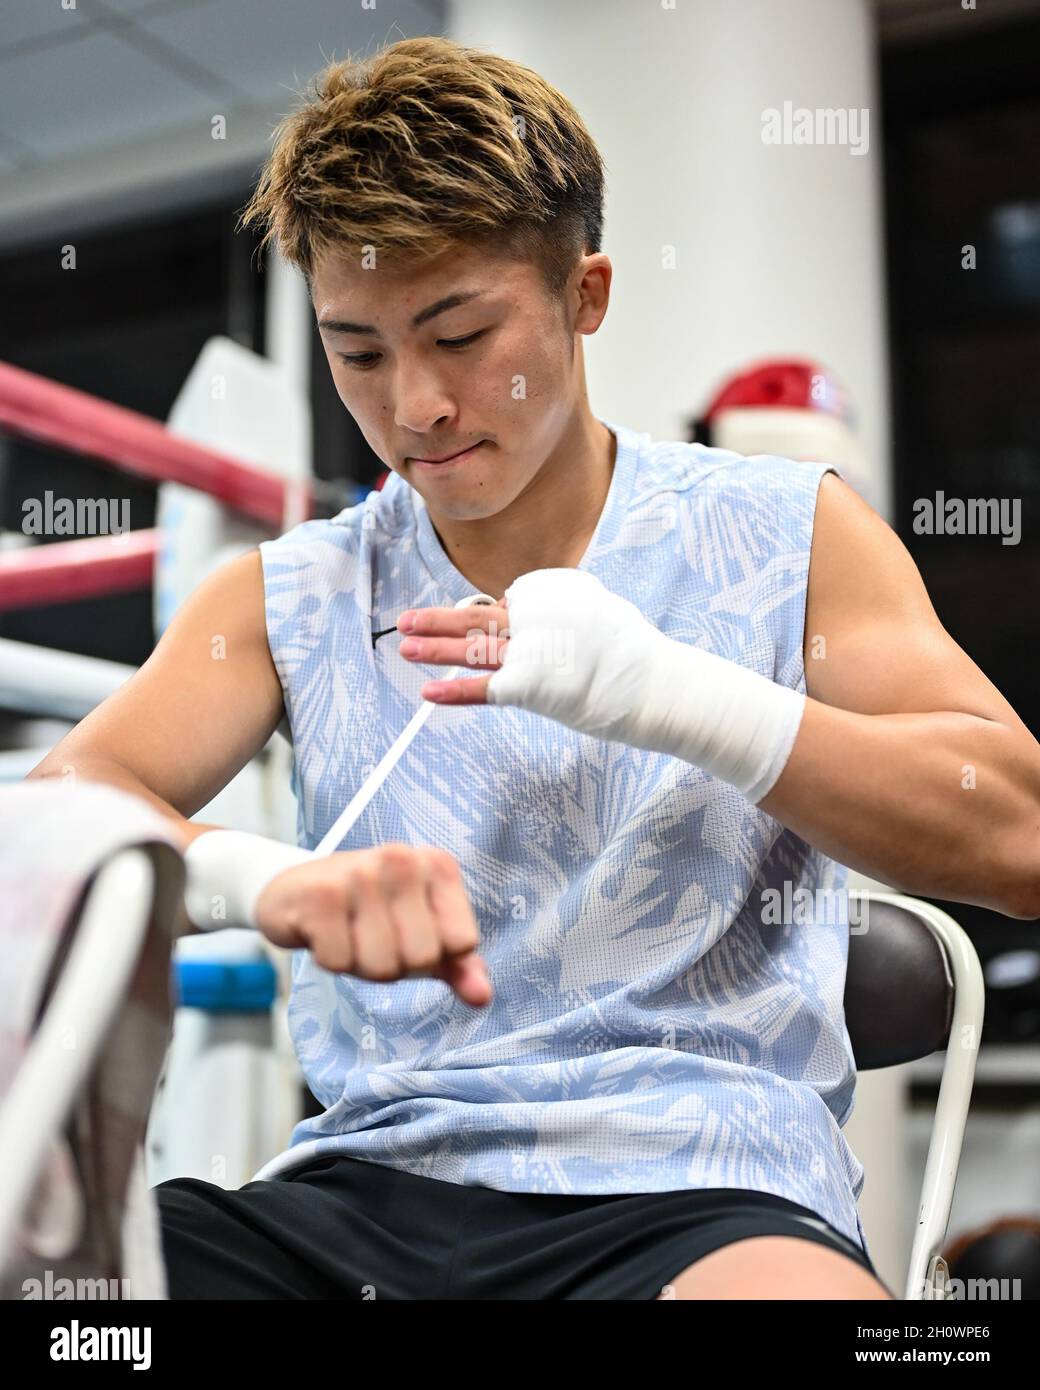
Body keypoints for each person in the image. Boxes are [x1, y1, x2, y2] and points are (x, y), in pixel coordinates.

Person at [27, 35, 1040, 1301]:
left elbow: (1017, 836)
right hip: (362, 1197)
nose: (414, 406)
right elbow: (60, 810)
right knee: (61, 1290)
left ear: (584, 294)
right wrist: (259, 879)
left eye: (459, 335)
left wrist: (680, 698)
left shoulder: (786, 532)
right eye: (358, 353)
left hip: (695, 1187)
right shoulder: (297, 592)